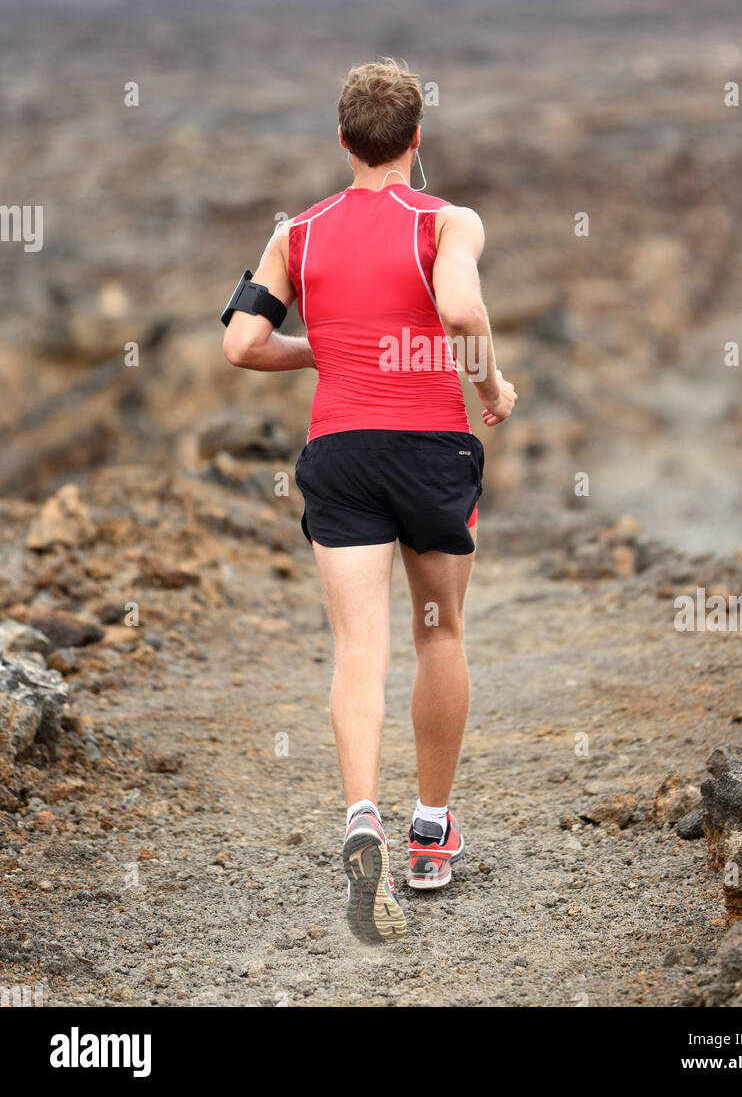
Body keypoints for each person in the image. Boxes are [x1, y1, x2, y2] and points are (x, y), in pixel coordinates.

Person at [222, 58, 517, 943]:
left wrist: (328, 351)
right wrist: (493, 386)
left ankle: (362, 818)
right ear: (417, 139)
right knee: (440, 633)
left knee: (358, 647)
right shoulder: (447, 220)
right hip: (430, 452)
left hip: (340, 454)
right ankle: (429, 833)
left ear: (343, 140)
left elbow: (240, 343)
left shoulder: (298, 233)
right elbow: (461, 313)